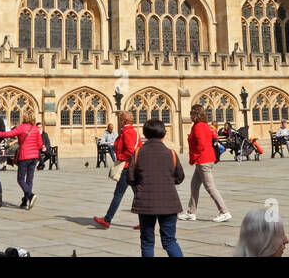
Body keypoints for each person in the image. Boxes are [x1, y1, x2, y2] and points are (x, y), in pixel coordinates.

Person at [128, 118, 184, 257]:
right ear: (164, 134)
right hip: (169, 202)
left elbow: (130, 178)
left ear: (145, 134)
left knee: (147, 242)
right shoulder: (171, 153)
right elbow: (180, 177)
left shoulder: (137, 153)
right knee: (170, 241)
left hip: (146, 203)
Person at [180, 104, 230, 222]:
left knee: (210, 187)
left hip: (203, 160)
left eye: (191, 113)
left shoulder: (199, 127)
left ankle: (224, 211)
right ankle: (191, 212)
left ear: (195, 114)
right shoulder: (202, 125)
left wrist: (195, 157)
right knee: (194, 186)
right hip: (204, 159)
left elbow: (201, 145)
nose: (190, 115)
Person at [94, 110, 139, 228]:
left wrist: (120, 157)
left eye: (120, 119)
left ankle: (107, 219)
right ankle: (145, 222)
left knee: (118, 194)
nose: (119, 122)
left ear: (123, 120)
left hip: (127, 168)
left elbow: (130, 151)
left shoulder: (128, 132)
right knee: (138, 194)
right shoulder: (131, 131)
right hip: (132, 167)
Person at [0, 112, 42, 208]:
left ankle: (30, 195)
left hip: (25, 156)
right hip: (34, 157)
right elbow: (40, 145)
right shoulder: (36, 129)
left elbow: (9, 134)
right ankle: (25, 201)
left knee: (20, 179)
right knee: (29, 179)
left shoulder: (22, 127)